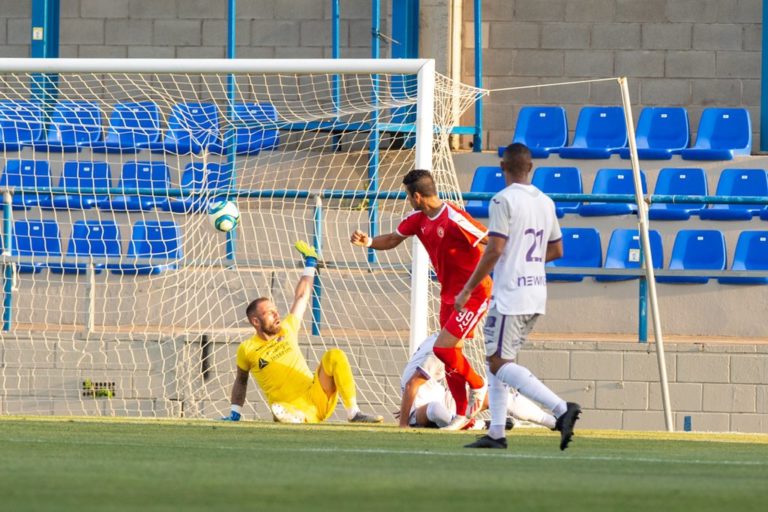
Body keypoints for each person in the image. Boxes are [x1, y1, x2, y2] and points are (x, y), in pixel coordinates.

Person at [455, 143, 581, 450]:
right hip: (536, 292)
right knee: (498, 359)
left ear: (502, 166)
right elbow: (557, 249)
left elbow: (496, 248)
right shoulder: (545, 201)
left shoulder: (503, 199)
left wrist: (469, 287)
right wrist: (529, 263)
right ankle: (497, 431)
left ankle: (561, 409)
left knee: (498, 362)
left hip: (511, 293)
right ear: (530, 168)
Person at [351, 169, 492, 430]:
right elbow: (393, 239)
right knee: (450, 357)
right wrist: (368, 241)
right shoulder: (418, 219)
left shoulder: (454, 217)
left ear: (416, 196)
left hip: (474, 294)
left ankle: (478, 385)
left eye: (407, 196)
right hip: (449, 296)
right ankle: (462, 414)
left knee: (443, 349)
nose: (407, 201)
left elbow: (490, 240)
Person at [220, 241, 383, 424]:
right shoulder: (247, 349)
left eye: (275, 310)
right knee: (279, 410)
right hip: (289, 407)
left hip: (317, 397)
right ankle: (296, 417)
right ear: (256, 321)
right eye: (269, 313)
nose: (276, 315)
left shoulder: (287, 328)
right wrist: (235, 412)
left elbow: (302, 296)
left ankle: (353, 412)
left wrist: (311, 264)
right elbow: (241, 380)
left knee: (334, 355)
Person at [398, 333, 557, 431]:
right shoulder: (438, 351)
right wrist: (403, 424)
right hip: (418, 410)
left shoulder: (439, 339)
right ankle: (476, 425)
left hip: (440, 396)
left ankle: (554, 423)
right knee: (435, 409)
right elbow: (411, 384)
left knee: (500, 395)